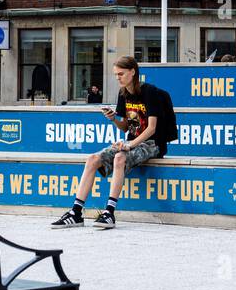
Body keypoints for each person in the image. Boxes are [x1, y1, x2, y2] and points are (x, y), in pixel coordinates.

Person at [51, 57, 176, 230]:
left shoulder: (149, 92)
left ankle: (109, 212)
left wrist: (129, 146)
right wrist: (113, 119)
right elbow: (126, 126)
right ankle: (76, 213)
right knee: (93, 159)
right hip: (132, 141)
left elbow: (151, 129)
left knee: (119, 158)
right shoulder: (123, 93)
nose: (118, 78)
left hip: (152, 143)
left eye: (121, 74)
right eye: (116, 74)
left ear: (133, 72)